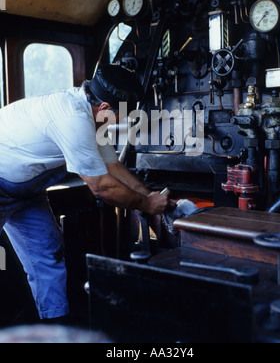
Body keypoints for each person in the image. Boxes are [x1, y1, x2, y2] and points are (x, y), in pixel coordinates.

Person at [0, 64, 171, 322]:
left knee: (48, 253)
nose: (122, 122)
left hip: (25, 191)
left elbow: (112, 166)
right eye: (121, 116)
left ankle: (56, 330)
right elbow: (101, 187)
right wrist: (146, 206)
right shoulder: (73, 119)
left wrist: (149, 196)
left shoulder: (89, 114)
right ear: (103, 108)